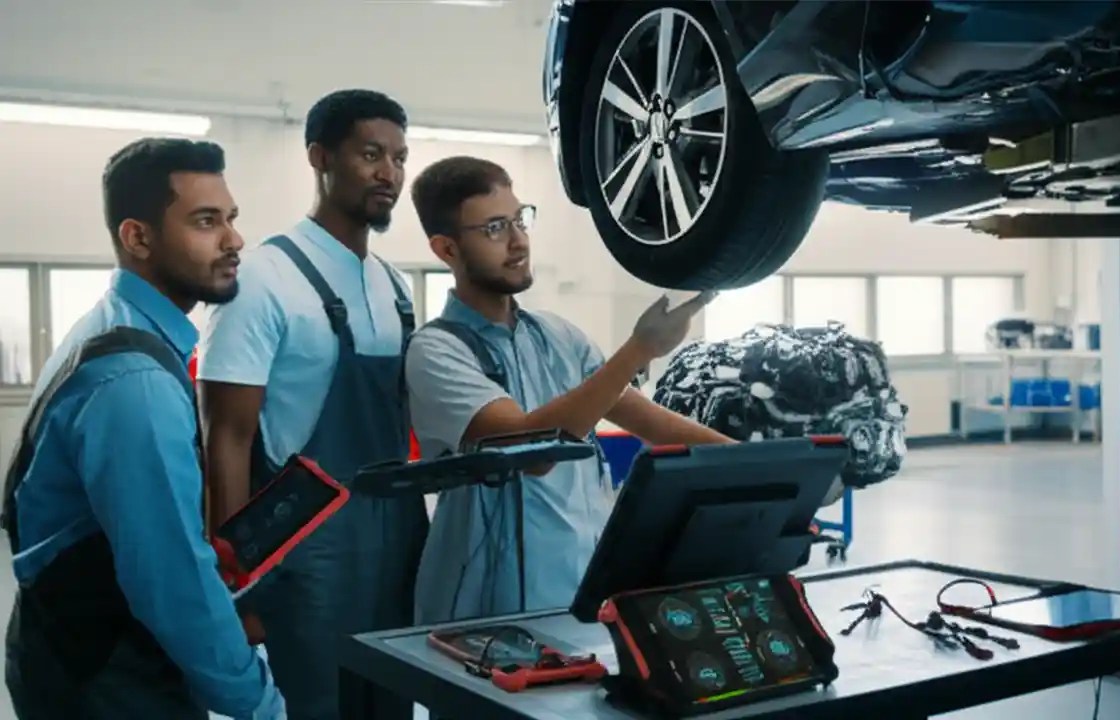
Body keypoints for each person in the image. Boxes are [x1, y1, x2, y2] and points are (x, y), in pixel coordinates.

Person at [0, 138, 285, 718]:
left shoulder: (112, 328)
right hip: (108, 672)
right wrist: (256, 702)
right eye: (206, 222)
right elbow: (173, 583)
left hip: (69, 644)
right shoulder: (136, 381)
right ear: (138, 237)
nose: (233, 240)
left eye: (231, 219)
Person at [405, 155, 733, 625]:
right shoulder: (436, 351)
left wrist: (779, 467)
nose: (518, 242)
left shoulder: (559, 337)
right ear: (447, 250)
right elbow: (529, 449)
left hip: (583, 597)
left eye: (520, 219)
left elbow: (650, 421)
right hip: (481, 616)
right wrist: (639, 349)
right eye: (495, 228)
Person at [196, 89, 426, 720]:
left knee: (393, 701)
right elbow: (227, 437)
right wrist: (237, 586)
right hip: (307, 553)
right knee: (321, 706)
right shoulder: (263, 279)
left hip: (398, 537)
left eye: (400, 158)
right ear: (320, 158)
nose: (389, 174)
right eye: (371, 154)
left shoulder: (393, 284)